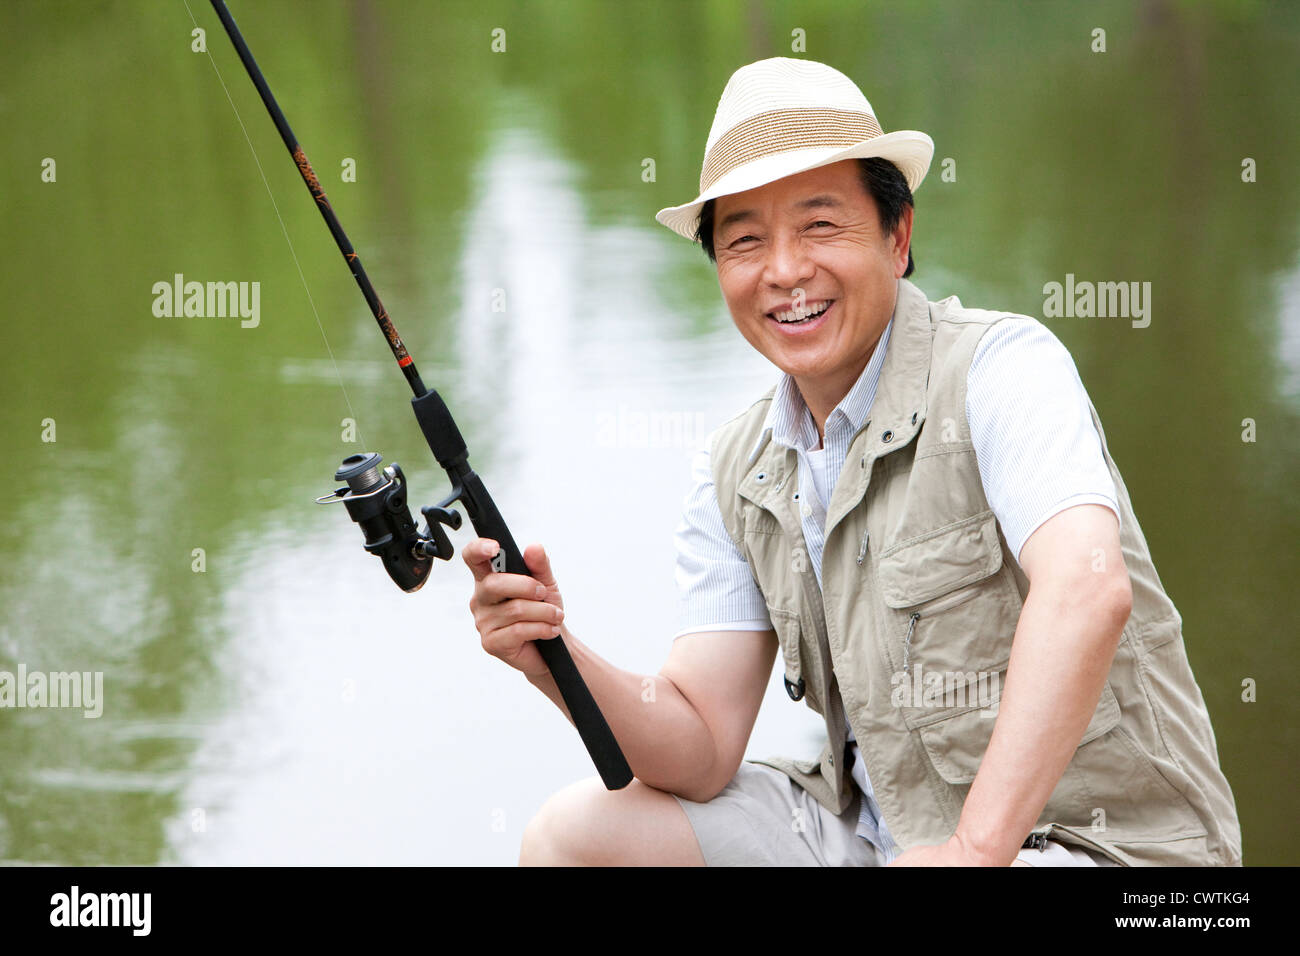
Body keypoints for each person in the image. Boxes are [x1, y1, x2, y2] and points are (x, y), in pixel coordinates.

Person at [465, 57, 1242, 866]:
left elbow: (1088, 588)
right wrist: (550, 653)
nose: (786, 270)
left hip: (1103, 852)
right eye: (745, 240)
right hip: (879, 836)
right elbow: (699, 744)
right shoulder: (737, 466)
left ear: (897, 236)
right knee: (576, 837)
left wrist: (976, 851)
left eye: (820, 225)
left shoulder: (1003, 368)